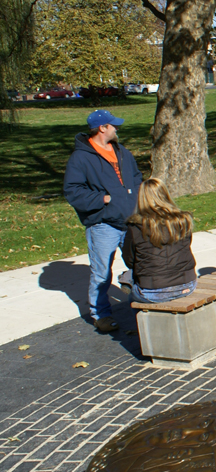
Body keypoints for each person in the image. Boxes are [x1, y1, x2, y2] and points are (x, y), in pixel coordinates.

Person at [64, 109, 144, 332]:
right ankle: (101, 315)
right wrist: (102, 198)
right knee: (101, 272)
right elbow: (72, 190)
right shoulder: (81, 157)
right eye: (113, 125)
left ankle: (143, 305)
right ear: (102, 128)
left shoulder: (122, 152)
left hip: (130, 221)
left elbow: (136, 177)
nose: (117, 129)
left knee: (140, 264)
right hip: (103, 224)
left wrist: (138, 198)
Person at [122, 178, 197, 303]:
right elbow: (186, 246)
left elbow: (130, 260)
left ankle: (137, 322)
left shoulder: (135, 227)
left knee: (131, 293)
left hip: (153, 290)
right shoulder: (183, 220)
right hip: (187, 284)